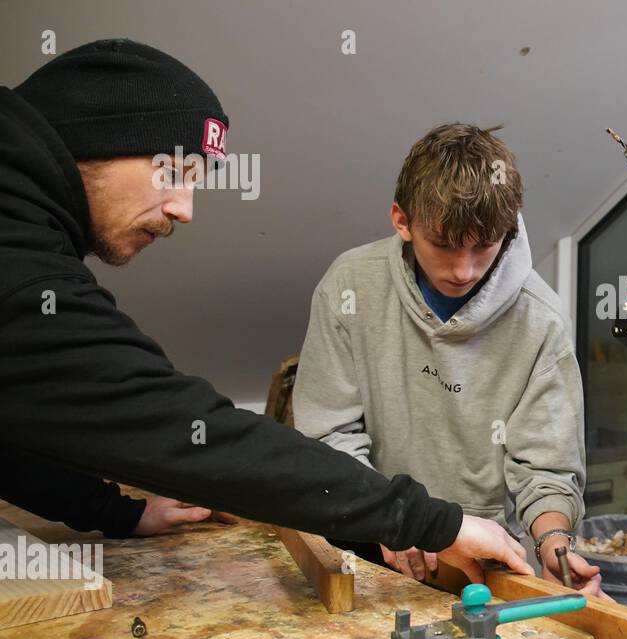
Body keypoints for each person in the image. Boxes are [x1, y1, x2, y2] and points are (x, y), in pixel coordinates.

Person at [0, 39, 530, 584]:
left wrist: (116, 511)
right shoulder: (18, 262)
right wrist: (426, 521)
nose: (184, 209)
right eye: (175, 172)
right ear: (96, 136)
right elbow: (168, 419)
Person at [294, 123, 603, 595]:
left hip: (491, 567)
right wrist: (390, 517)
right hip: (371, 548)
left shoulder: (541, 321)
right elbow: (328, 432)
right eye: (443, 245)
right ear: (402, 220)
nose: (463, 271)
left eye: (484, 246)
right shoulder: (349, 287)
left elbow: (547, 469)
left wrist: (554, 544)